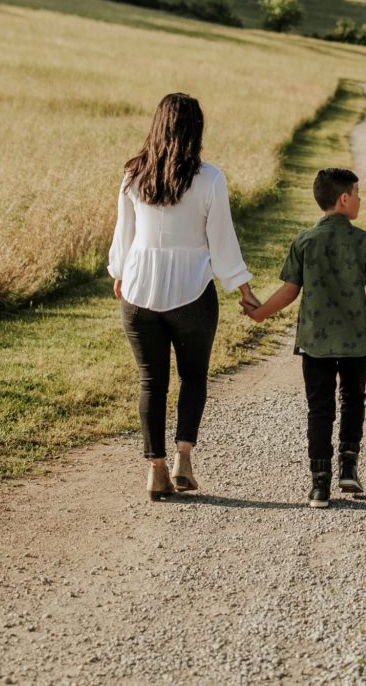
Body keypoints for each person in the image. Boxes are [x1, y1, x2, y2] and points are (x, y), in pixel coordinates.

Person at [110, 92, 260, 502]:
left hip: (139, 291)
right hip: (192, 291)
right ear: (196, 130)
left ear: (157, 125)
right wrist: (243, 289)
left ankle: (155, 471)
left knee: (151, 382)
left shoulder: (133, 175)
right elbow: (223, 242)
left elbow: (124, 235)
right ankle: (183, 461)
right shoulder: (209, 178)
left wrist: (120, 274)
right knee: (193, 376)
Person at [244, 167, 366, 508]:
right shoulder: (364, 241)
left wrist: (259, 312)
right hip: (356, 341)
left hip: (315, 343)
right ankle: (348, 468)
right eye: (357, 194)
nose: (360, 200)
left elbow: (290, 291)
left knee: (319, 409)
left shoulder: (304, 241)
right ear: (343, 199)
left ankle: (319, 485)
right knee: (353, 400)